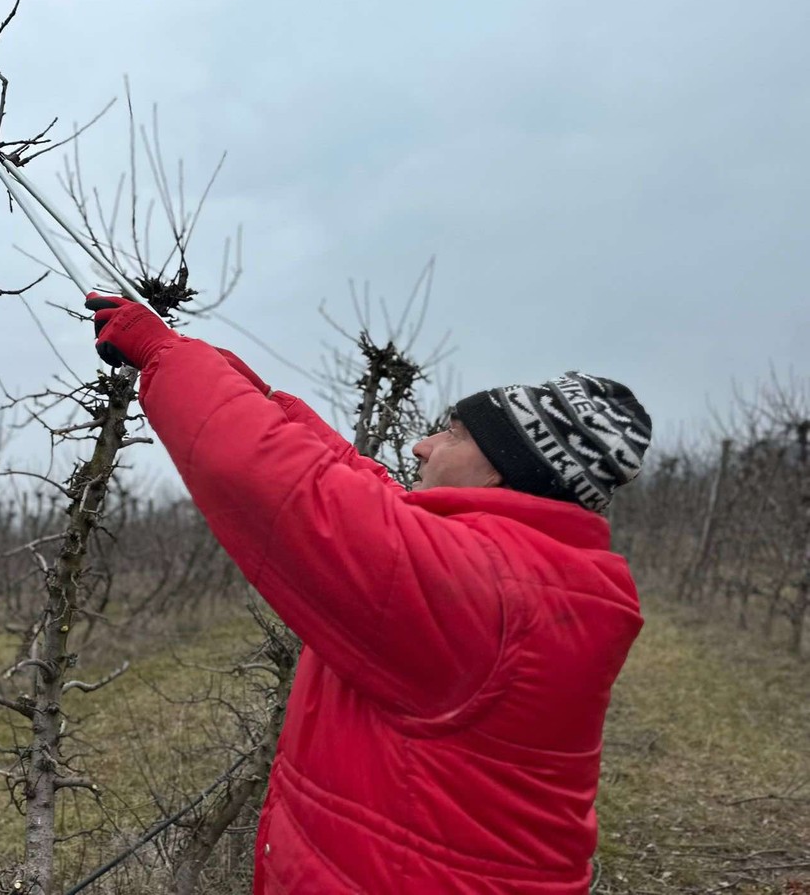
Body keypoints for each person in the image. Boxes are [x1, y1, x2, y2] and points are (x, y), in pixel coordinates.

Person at [84, 293, 653, 895]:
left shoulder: (490, 595)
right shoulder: (541, 574)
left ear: (503, 473)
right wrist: (265, 401)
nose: (423, 445)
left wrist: (167, 357)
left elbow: (280, 483)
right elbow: (366, 488)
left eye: (453, 435)